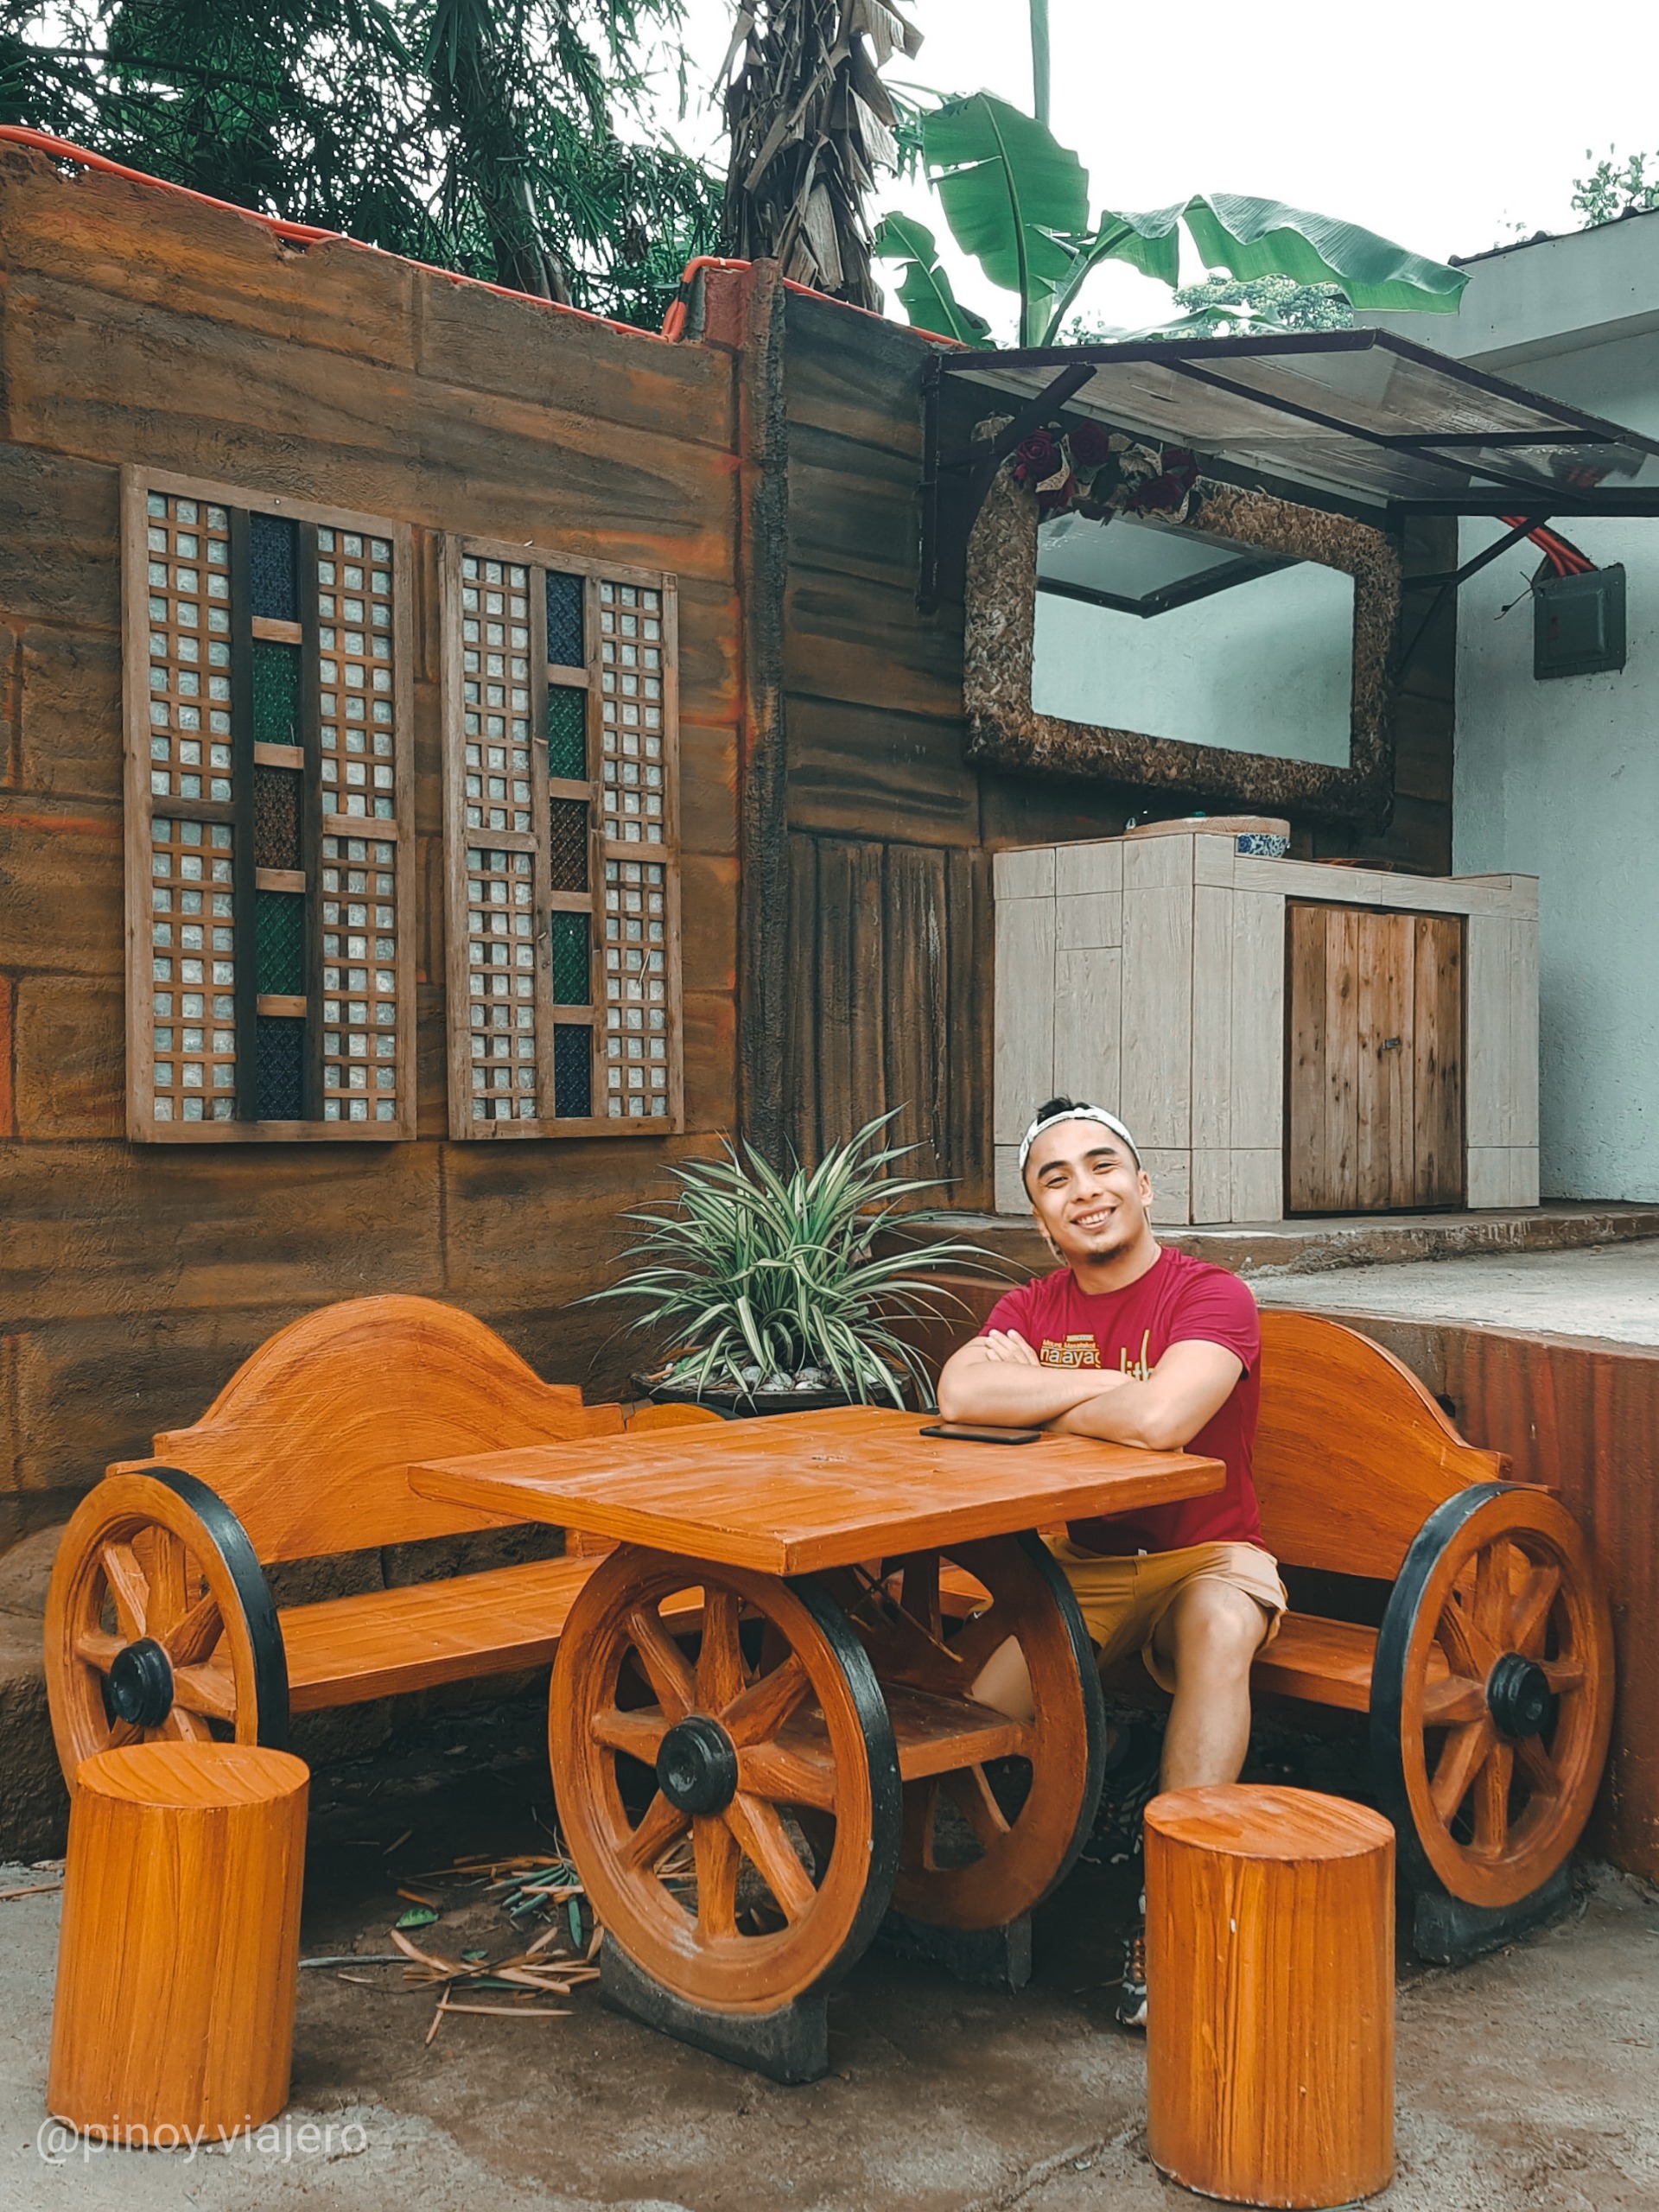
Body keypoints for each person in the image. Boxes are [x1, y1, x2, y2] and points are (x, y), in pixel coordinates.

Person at [936, 1095, 1286, 2028]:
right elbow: (960, 1390)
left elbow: (1167, 1422)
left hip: (1208, 1555)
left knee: (1218, 1625)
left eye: (1101, 1166)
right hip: (1080, 1566)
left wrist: (1037, 1394)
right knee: (968, 1716)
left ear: (1142, 1184)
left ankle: (1176, 1903)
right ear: (1041, 1217)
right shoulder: (1031, 1304)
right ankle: (967, 1878)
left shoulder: (1211, 1294)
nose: (1084, 1190)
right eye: (1056, 1179)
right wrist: (1112, 1387)